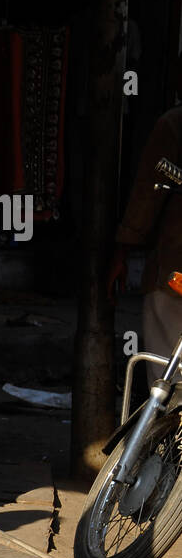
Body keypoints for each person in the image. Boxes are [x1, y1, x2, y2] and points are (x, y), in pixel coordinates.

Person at [110, 102, 182, 381]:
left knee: (170, 386)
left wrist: (120, 253)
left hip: (173, 276)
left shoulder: (174, 124)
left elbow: (146, 195)